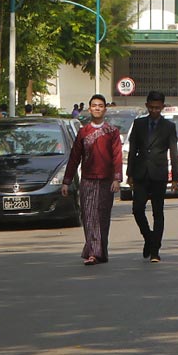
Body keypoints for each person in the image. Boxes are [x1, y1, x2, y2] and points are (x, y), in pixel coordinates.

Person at [62, 94, 122, 265]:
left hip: (106, 180)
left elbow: (117, 156)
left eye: (100, 105)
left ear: (105, 109)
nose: (97, 108)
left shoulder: (112, 131)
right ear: (89, 109)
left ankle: (99, 251)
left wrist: (117, 178)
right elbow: (74, 158)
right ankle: (94, 253)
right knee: (88, 215)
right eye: (94, 105)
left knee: (102, 216)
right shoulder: (83, 132)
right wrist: (66, 181)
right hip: (87, 179)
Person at [126, 90, 178, 262]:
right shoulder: (138, 123)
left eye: (158, 107)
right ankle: (148, 238)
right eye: (152, 107)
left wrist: (175, 178)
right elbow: (133, 149)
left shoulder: (169, 126)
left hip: (159, 173)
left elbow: (173, 152)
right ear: (147, 106)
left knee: (158, 212)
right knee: (137, 209)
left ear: (163, 107)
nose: (155, 110)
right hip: (141, 173)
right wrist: (130, 174)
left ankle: (155, 250)